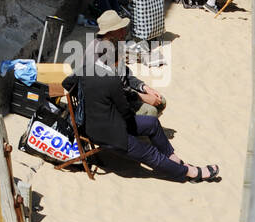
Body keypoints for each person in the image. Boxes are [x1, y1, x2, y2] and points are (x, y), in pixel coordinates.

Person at [81, 50, 219, 182]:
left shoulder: (88, 72)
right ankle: (190, 173)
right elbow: (125, 111)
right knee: (150, 152)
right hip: (109, 133)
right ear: (112, 63)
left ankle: (172, 158)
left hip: (109, 122)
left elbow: (67, 83)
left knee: (152, 123)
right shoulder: (112, 82)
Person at [85, 10, 166, 118]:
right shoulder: (98, 54)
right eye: (120, 29)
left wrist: (144, 87)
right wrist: (141, 97)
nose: (124, 32)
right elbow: (113, 91)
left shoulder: (115, 44)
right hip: (110, 103)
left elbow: (125, 74)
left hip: (124, 92)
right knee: (150, 112)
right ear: (110, 32)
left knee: (161, 101)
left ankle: (143, 126)